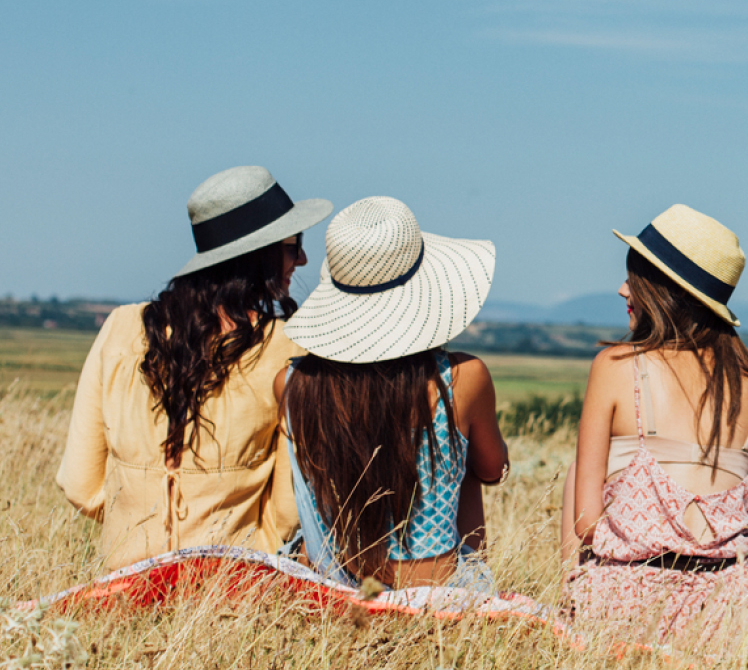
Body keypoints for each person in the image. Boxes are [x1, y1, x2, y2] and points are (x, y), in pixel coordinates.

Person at [58, 165, 333, 570]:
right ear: (259, 254)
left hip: (121, 580)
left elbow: (80, 484)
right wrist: (258, 547)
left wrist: (138, 530)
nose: (303, 259)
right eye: (294, 245)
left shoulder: (119, 328)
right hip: (233, 580)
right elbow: (289, 508)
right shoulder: (287, 345)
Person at [561, 204, 748, 647]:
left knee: (576, 473)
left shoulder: (616, 365)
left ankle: (570, 616)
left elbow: (587, 523)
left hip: (629, 600)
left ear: (665, 291)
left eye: (635, 278)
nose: (622, 289)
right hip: (734, 611)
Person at [277, 196, 509, 592]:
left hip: (333, 587)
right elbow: (492, 470)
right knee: (466, 459)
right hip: (435, 593)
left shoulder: (293, 383)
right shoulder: (464, 377)